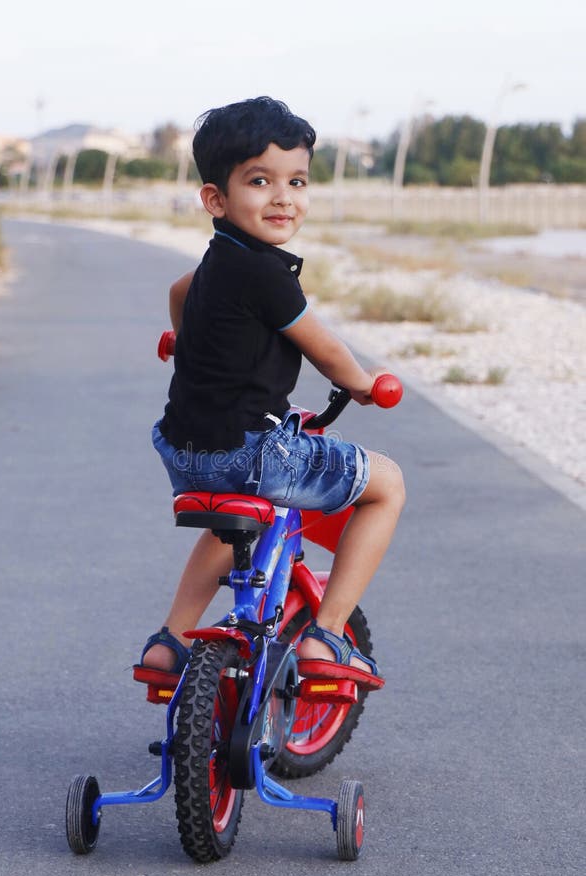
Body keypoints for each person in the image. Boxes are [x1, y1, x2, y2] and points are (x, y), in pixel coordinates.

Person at [137, 97, 405, 688]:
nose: (284, 197)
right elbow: (324, 347)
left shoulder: (217, 260)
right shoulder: (266, 271)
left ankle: (171, 640)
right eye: (260, 181)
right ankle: (328, 632)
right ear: (216, 198)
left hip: (184, 451)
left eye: (297, 180)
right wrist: (361, 384)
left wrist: (186, 343)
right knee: (386, 485)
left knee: (227, 519)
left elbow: (180, 291)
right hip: (251, 454)